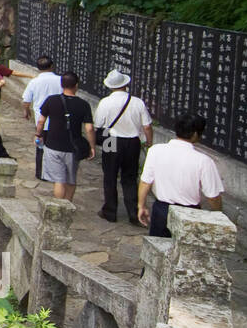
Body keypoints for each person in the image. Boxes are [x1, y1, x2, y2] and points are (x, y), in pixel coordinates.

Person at [137, 112, 224, 238]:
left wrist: (141, 205)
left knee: (158, 249)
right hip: (189, 214)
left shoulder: (156, 150)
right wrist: (218, 214)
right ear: (195, 134)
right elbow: (213, 196)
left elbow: (145, 181)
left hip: (161, 210)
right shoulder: (203, 161)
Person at [93, 70, 154, 223]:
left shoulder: (105, 102)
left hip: (110, 139)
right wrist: (149, 142)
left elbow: (98, 125)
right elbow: (147, 126)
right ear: (126, 84)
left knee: (110, 175)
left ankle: (110, 211)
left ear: (110, 86)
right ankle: (134, 214)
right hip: (132, 141)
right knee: (129, 177)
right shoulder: (137, 102)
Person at [35, 73, 95, 201]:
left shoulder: (51, 100)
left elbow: (41, 121)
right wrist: (92, 146)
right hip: (73, 146)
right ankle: (68, 204)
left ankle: (59, 205)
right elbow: (89, 128)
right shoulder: (84, 104)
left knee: (59, 180)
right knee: (70, 179)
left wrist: (38, 134)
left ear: (61, 84)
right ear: (76, 85)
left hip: (53, 144)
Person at [22, 55, 63, 180]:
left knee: (41, 146)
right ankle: (55, 173)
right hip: (58, 120)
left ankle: (40, 173)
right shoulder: (61, 80)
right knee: (56, 147)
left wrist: (26, 111)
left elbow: (26, 100)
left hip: (41, 120)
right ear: (52, 66)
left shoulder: (34, 82)